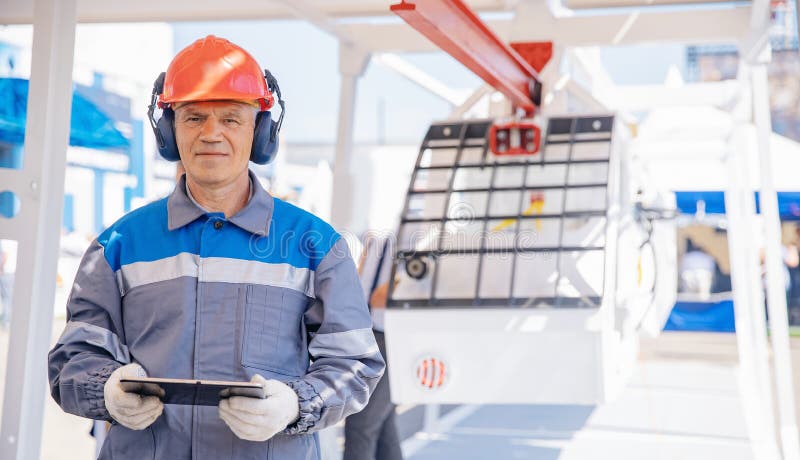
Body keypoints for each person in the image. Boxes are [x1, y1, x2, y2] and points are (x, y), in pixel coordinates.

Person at [47, 35, 384, 460]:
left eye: (230, 118)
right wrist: (107, 392)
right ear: (169, 131)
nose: (211, 133)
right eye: (193, 118)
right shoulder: (118, 245)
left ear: (260, 132)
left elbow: (355, 364)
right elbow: (73, 359)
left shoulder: (316, 245)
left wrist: (297, 403)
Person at [343, 233, 403, 460]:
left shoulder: (417, 231)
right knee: (383, 426)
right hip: (369, 330)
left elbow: (382, 295)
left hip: (390, 336)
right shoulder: (380, 230)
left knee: (361, 423)